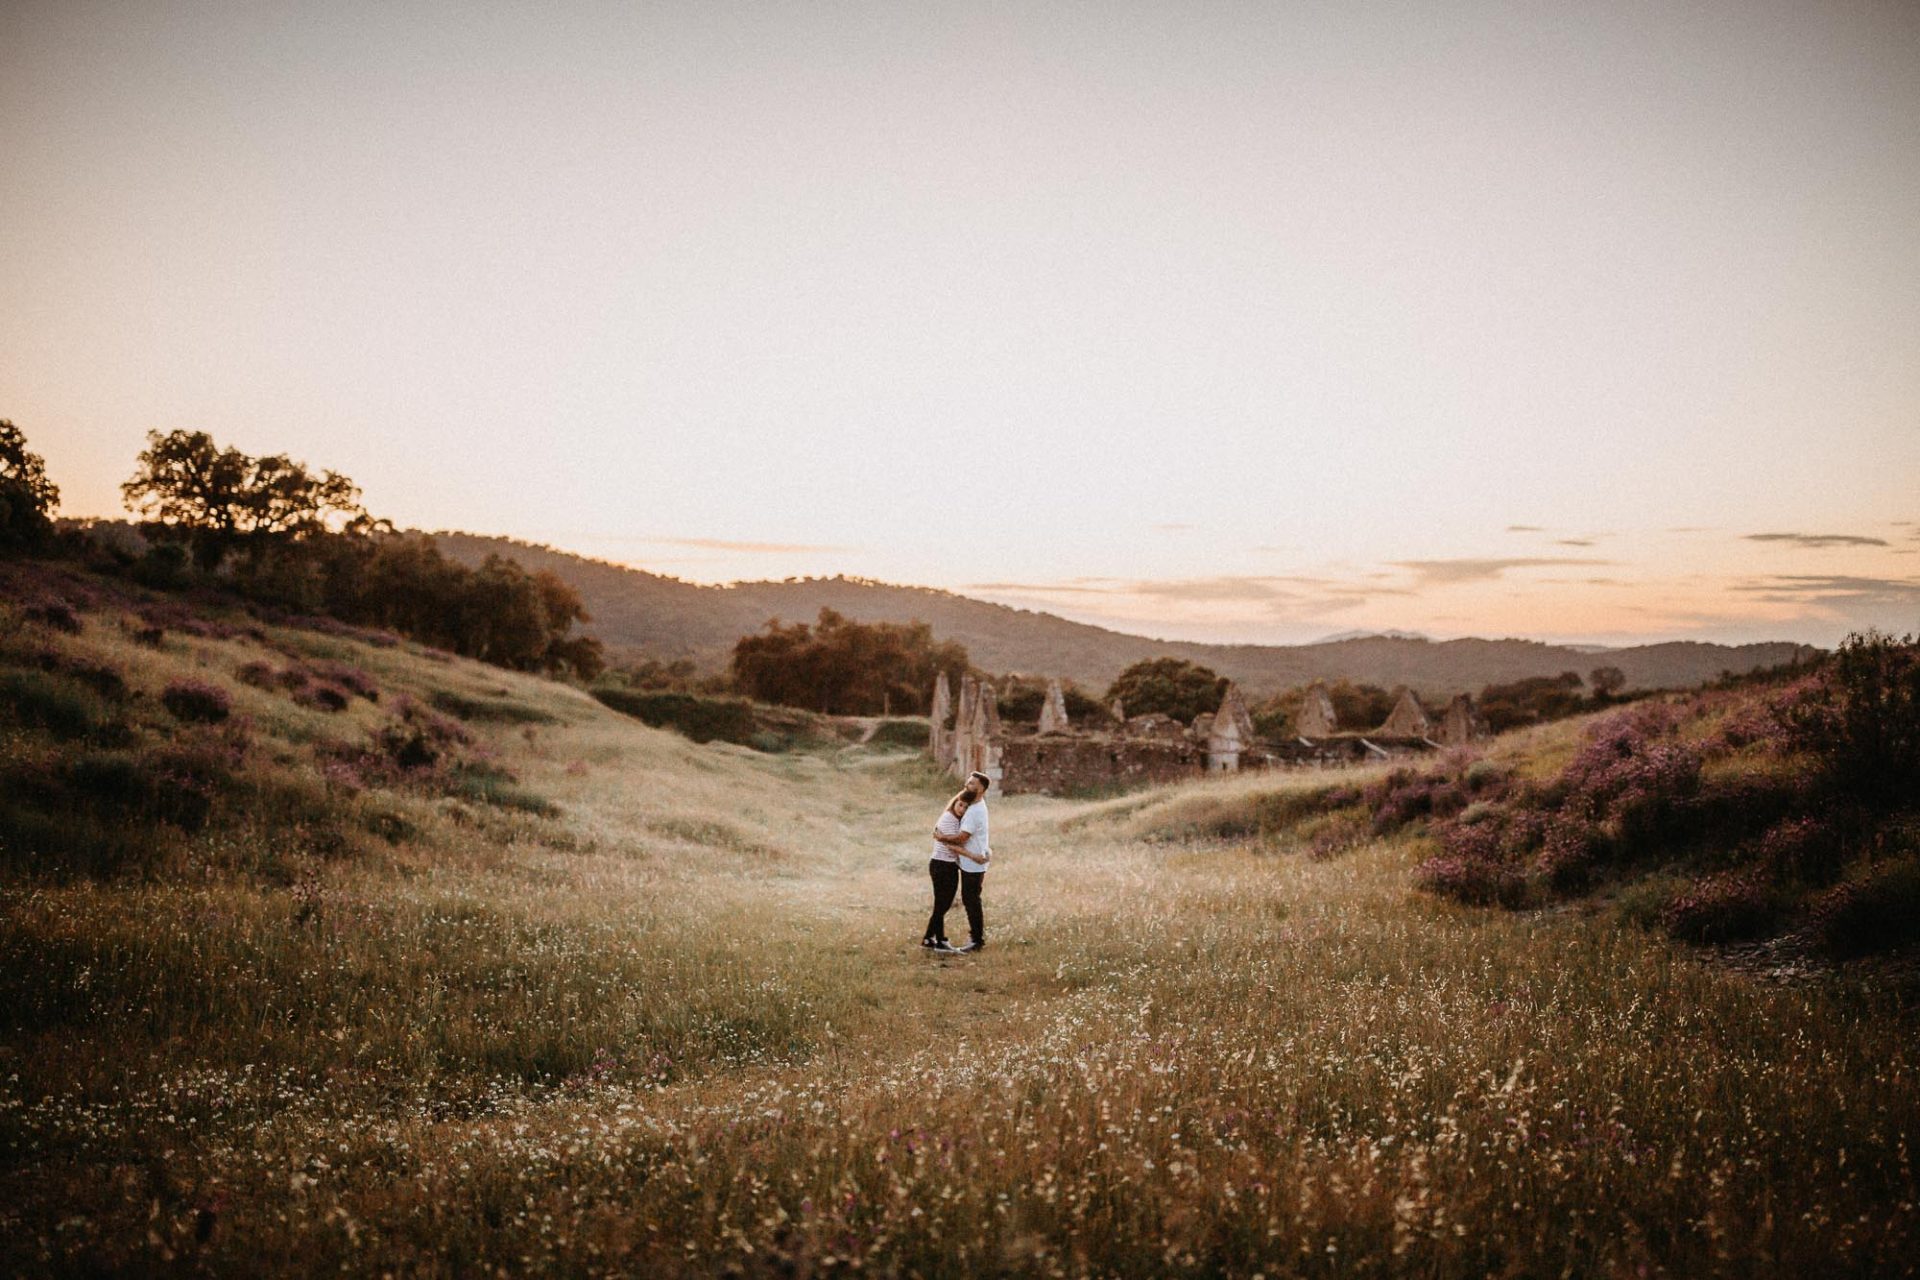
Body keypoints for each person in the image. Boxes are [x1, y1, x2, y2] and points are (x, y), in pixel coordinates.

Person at [922, 770, 992, 953]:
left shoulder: (974, 811)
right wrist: (943, 838)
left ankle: (975, 940)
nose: (967, 786)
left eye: (972, 784)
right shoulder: (966, 810)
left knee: (970, 901)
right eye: (967, 783)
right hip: (953, 863)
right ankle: (935, 939)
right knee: (949, 903)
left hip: (972, 864)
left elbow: (961, 838)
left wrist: (942, 838)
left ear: (981, 788)